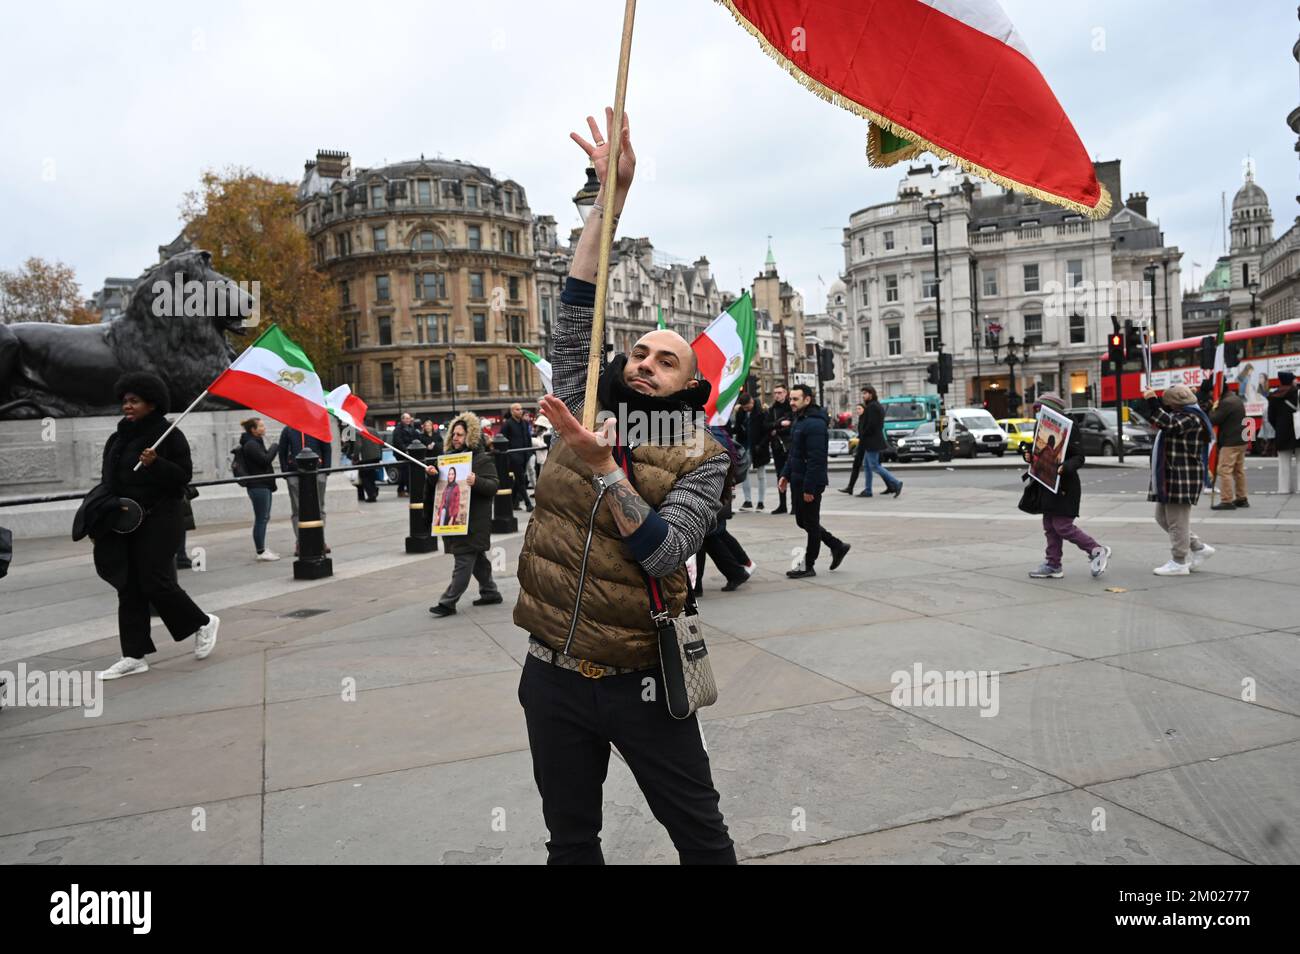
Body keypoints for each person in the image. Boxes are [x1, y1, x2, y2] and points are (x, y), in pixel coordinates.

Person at [514, 107, 735, 865]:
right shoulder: (587, 404)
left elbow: (668, 554)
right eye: (638, 352)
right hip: (551, 673)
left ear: (693, 383)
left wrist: (608, 471)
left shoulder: (704, 453)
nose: (642, 362)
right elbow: (576, 311)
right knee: (570, 842)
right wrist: (612, 201)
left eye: (664, 360)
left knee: (700, 837)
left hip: (643, 679)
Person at [89, 372, 219, 679]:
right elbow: (109, 479)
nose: (127, 406)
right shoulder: (118, 438)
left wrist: (156, 464)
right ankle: (133, 655)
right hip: (126, 521)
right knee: (128, 585)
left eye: (134, 401)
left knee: (154, 580)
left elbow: (182, 476)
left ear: (152, 403)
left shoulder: (169, 434)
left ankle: (202, 623)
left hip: (161, 518)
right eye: (125, 401)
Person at [1018, 392, 1110, 579]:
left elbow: (1079, 457)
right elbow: (1036, 449)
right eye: (1037, 409)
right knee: (1049, 526)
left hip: (1065, 485)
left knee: (1062, 526)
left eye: (1041, 409)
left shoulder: (1069, 427)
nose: (1038, 412)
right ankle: (1053, 564)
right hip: (1046, 483)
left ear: (1052, 411)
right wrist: (1027, 453)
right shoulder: (1041, 425)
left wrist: (1064, 467)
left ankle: (1095, 549)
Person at [428, 413, 501, 616]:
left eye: (460, 434)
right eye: (454, 434)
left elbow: (493, 486)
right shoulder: (449, 460)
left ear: (470, 436)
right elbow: (440, 489)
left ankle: (447, 602)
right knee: (477, 558)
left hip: (473, 521)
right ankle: (490, 591)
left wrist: (476, 481)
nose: (455, 438)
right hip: (454, 519)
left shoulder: (482, 460)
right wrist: (433, 477)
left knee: (463, 560)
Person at [780, 384, 851, 578]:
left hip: (809, 482)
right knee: (802, 521)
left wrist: (809, 487)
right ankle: (836, 545)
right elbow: (794, 452)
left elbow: (816, 459)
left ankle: (808, 565)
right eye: (791, 399)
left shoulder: (815, 424)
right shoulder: (800, 420)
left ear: (807, 400)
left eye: (795, 399)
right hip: (797, 479)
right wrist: (786, 474)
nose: (791, 402)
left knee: (810, 523)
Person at [1144, 383, 1215, 575]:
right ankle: (1199, 548)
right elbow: (1164, 420)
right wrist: (1155, 402)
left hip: (1181, 477)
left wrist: (1152, 401)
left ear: (1175, 405)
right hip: (1171, 477)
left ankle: (1179, 561)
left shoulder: (1191, 418)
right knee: (1162, 518)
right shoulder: (1185, 415)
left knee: (1177, 522)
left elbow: (1168, 424)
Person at [278, 425, 332, 557]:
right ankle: (300, 542)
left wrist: (326, 470)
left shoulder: (319, 427)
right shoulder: (288, 429)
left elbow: (327, 449)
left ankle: (320, 540)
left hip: (317, 472)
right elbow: (282, 451)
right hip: (294, 473)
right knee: (297, 509)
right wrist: (286, 472)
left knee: (319, 508)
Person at [238, 417, 281, 560]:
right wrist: (275, 447)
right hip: (258, 486)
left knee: (264, 517)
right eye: (261, 426)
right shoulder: (251, 444)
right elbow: (265, 460)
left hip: (263, 485)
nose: (264, 428)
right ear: (253, 430)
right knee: (261, 518)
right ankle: (261, 551)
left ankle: (262, 548)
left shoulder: (255, 442)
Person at [853, 385, 902, 497]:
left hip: (872, 441)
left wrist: (863, 433)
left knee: (874, 465)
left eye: (865, 393)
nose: (863, 396)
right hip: (872, 440)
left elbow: (872, 425)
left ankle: (896, 483)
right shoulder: (875, 405)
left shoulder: (872, 407)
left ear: (871, 394)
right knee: (867, 465)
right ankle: (868, 490)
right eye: (863, 393)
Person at [1210, 386, 1249, 509]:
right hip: (1241, 440)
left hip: (1230, 441)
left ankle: (1226, 500)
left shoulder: (1226, 402)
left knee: (1224, 470)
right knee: (1239, 470)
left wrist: (1213, 408)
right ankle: (1242, 498)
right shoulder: (1236, 399)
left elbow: (1213, 419)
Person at [1267, 370, 1299, 494]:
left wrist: (1279, 427)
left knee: (1284, 463)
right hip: (1298, 432)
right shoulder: (1297, 393)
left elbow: (1270, 418)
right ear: (1290, 381)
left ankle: (1284, 489)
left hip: (1282, 433)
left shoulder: (1274, 396)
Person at [501, 402, 535, 512]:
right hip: (514, 457)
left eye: (520, 409)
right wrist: (509, 456)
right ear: (512, 411)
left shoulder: (524, 423)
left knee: (518, 480)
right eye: (517, 409)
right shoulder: (507, 424)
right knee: (521, 480)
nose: (520, 411)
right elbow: (503, 440)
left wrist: (529, 453)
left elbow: (528, 438)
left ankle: (513, 503)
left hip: (524, 455)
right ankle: (528, 503)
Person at [766, 384, 795, 514]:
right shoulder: (772, 409)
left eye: (780, 392)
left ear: (785, 393)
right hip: (777, 446)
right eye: (775, 392)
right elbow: (766, 425)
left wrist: (776, 429)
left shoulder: (791, 407)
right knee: (780, 475)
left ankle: (795, 506)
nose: (777, 395)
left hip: (790, 446)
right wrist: (779, 424)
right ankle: (782, 505)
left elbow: (792, 424)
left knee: (793, 476)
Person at [742, 394, 770, 510]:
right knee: (744, 474)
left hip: (759, 447)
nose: (745, 409)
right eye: (744, 407)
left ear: (751, 402)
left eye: (747, 407)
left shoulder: (762, 412)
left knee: (761, 474)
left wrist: (761, 445)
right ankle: (748, 500)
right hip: (747, 446)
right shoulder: (742, 412)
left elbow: (767, 431)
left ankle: (761, 501)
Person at [392, 412, 420, 497]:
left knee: (408, 473)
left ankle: (406, 489)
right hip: (401, 454)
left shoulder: (412, 428)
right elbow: (398, 442)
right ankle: (403, 490)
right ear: (402, 419)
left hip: (411, 453)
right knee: (404, 473)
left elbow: (416, 438)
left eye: (409, 418)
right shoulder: (398, 429)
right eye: (406, 418)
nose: (408, 420)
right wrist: (406, 449)